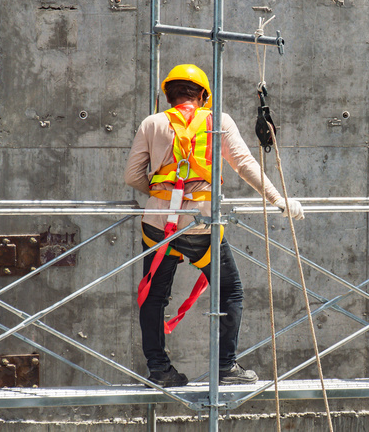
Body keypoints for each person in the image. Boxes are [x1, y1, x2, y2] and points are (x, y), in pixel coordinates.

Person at [125, 63, 305, 388]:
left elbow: (133, 176)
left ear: (170, 95)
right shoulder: (217, 121)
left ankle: (159, 369)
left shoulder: (152, 123)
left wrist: (164, 196)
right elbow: (245, 164)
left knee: (154, 297)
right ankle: (224, 366)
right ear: (204, 95)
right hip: (201, 226)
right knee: (230, 291)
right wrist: (279, 200)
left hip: (159, 227)